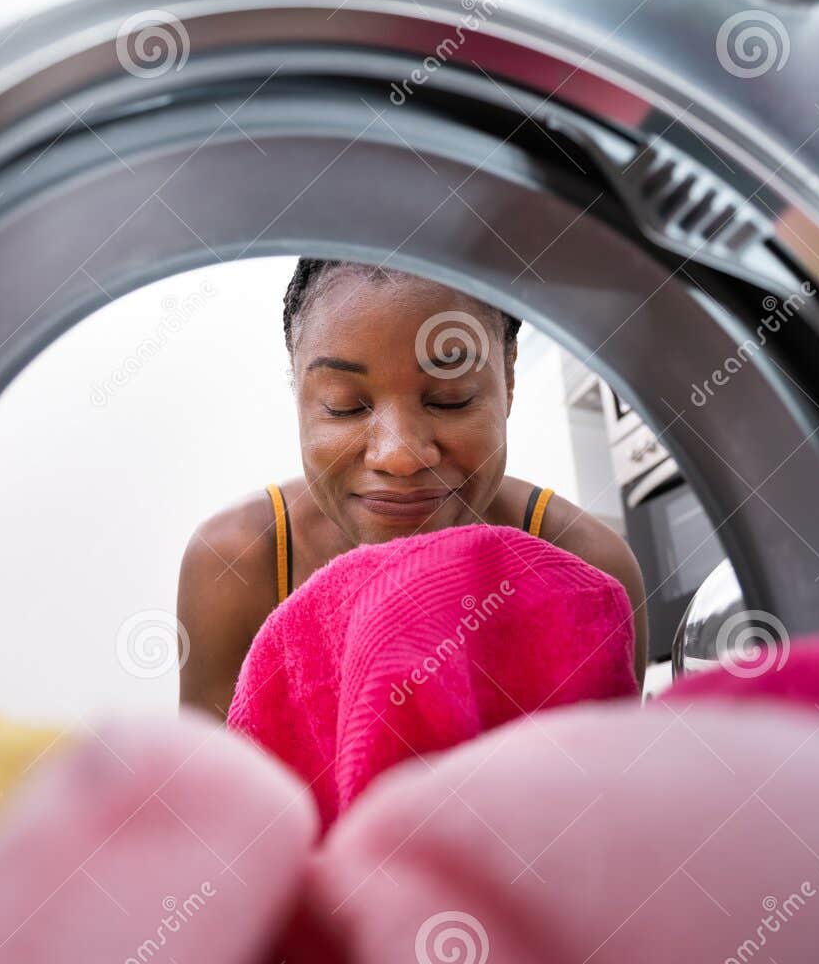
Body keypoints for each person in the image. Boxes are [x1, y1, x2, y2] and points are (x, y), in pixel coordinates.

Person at [177, 259, 647, 719]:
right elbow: (209, 793)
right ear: (298, 392)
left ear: (509, 379)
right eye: (344, 407)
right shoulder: (235, 566)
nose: (399, 457)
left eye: (451, 398)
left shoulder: (590, 569)